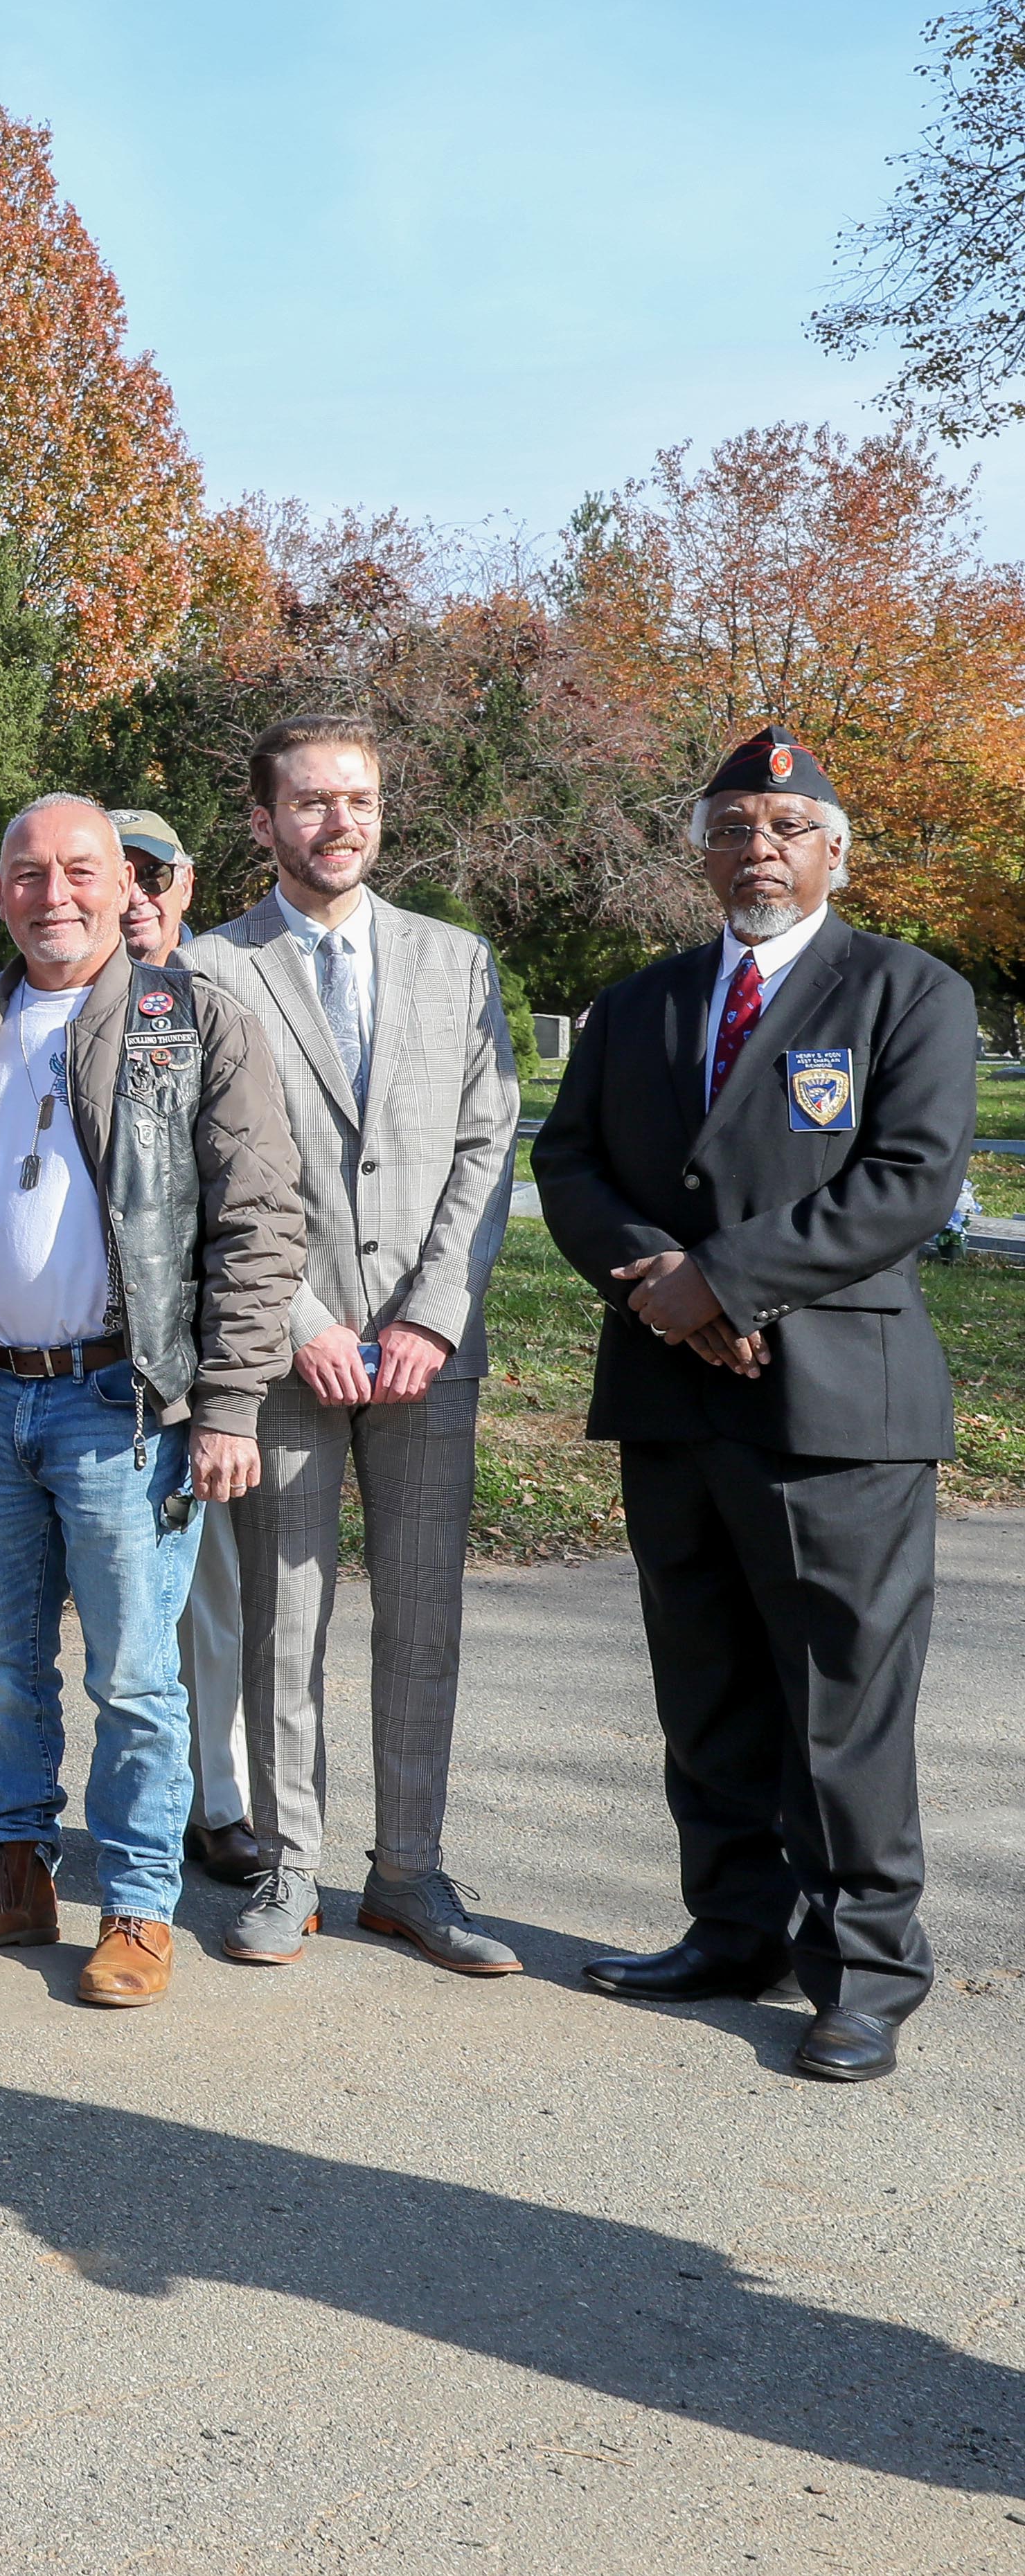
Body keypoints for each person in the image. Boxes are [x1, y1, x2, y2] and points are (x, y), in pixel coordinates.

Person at [534, 734, 975, 2086]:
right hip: (673, 1398)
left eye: (786, 823)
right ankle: (731, 1929)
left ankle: (864, 1968)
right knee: (705, 1683)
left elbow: (902, 1180)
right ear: (701, 848)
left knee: (838, 1698)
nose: (756, 847)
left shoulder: (907, 990)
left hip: (837, 1408)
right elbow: (567, 1156)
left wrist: (718, 1280)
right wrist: (662, 1290)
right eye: (731, 824)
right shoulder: (640, 1001)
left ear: (834, 849)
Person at [0, 797, 302, 2009]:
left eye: (77, 871)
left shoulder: (197, 1019)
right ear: (0, 886)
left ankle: (134, 1906)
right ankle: (11, 1872)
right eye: (26, 871)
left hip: (125, 1404)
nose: (50, 893)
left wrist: (224, 1406)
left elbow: (259, 1222)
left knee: (132, 1676)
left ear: (125, 883)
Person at [178, 720, 524, 1975]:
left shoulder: (456, 961)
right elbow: (196, 1175)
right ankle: (286, 1868)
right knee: (285, 1621)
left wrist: (431, 1313)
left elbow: (486, 1146)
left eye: (360, 801)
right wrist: (302, 1323)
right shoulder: (214, 969)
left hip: (429, 1357)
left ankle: (409, 1872)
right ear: (262, 822)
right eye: (312, 804)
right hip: (284, 1357)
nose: (341, 824)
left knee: (420, 1619)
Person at [96, 809, 275, 1889]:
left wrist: (230, 1382)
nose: (133, 896)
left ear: (184, 883)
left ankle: (219, 1803)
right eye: (112, 874)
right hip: (56, 1372)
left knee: (206, 1599)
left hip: (183, 1371)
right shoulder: (26, 1006)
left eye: (151, 874)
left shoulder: (218, 1008)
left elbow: (256, 1201)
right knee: (14, 1620)